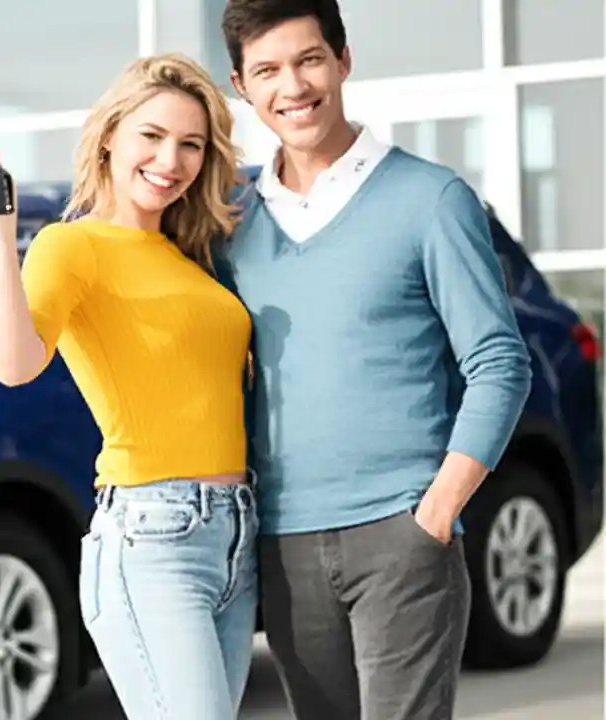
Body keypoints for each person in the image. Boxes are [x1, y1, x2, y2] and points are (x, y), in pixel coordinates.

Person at [216, 1, 533, 718]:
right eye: (267, 70)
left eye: (308, 60)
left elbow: (499, 361)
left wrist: (437, 509)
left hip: (402, 532)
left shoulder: (431, 198)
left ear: (343, 60)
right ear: (241, 86)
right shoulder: (231, 220)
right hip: (284, 541)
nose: (291, 86)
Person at [0, 53, 257, 719]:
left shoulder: (191, 256)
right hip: (154, 536)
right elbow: (14, 363)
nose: (170, 160)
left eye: (190, 145)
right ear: (111, 135)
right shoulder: (74, 246)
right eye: (151, 137)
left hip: (235, 535)